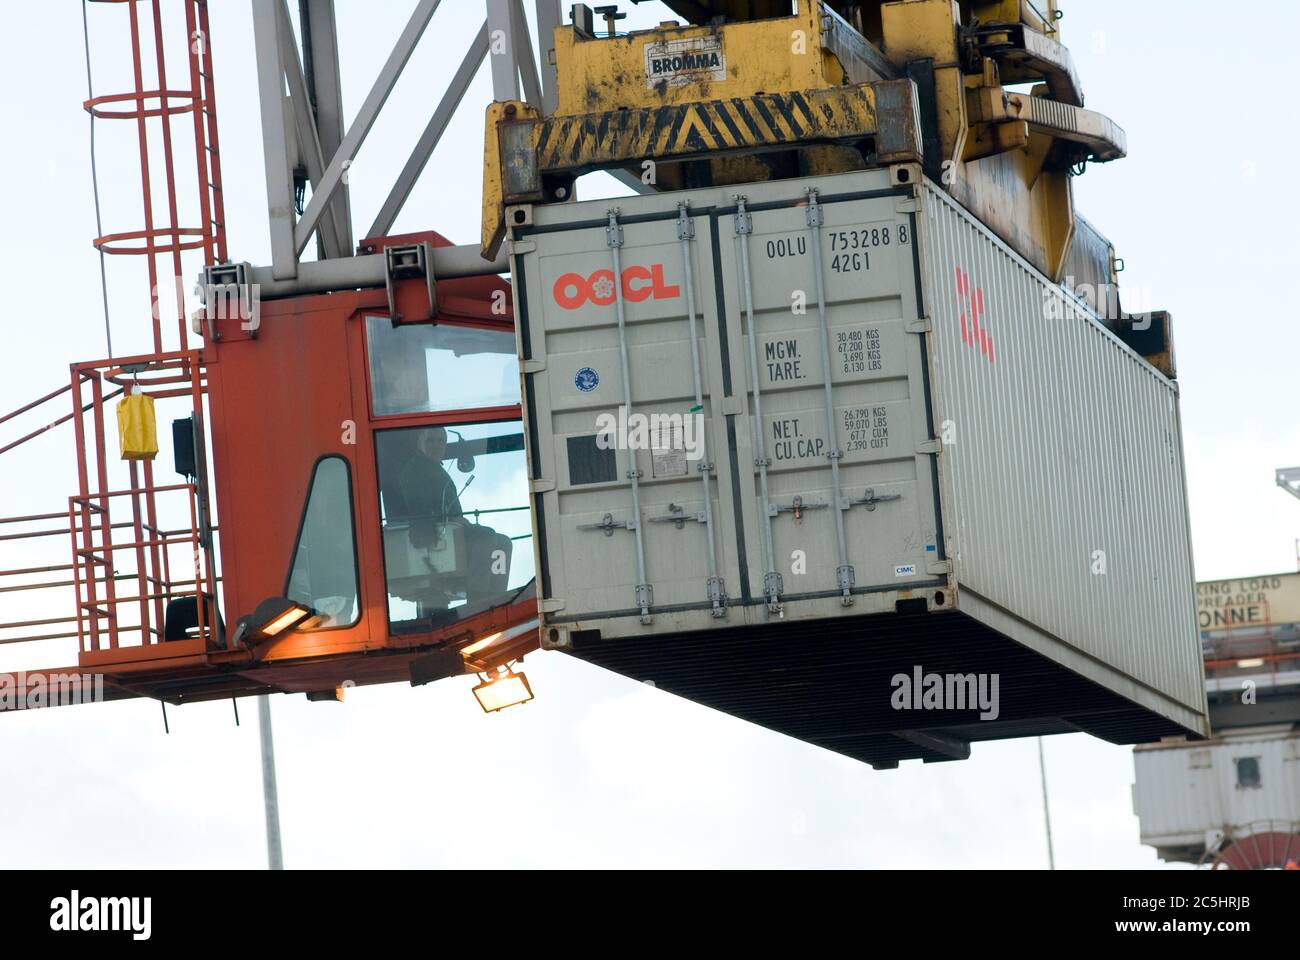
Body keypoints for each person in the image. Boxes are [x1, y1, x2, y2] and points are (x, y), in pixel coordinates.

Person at [396, 426, 512, 612]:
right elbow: (418, 507)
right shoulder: (414, 470)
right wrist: (451, 520)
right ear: (420, 443)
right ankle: (477, 600)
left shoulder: (434, 470)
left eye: (440, 441)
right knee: (487, 537)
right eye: (430, 441)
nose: (436, 445)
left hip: (450, 529)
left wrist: (459, 521)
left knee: (504, 542)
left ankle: (496, 598)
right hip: (435, 532)